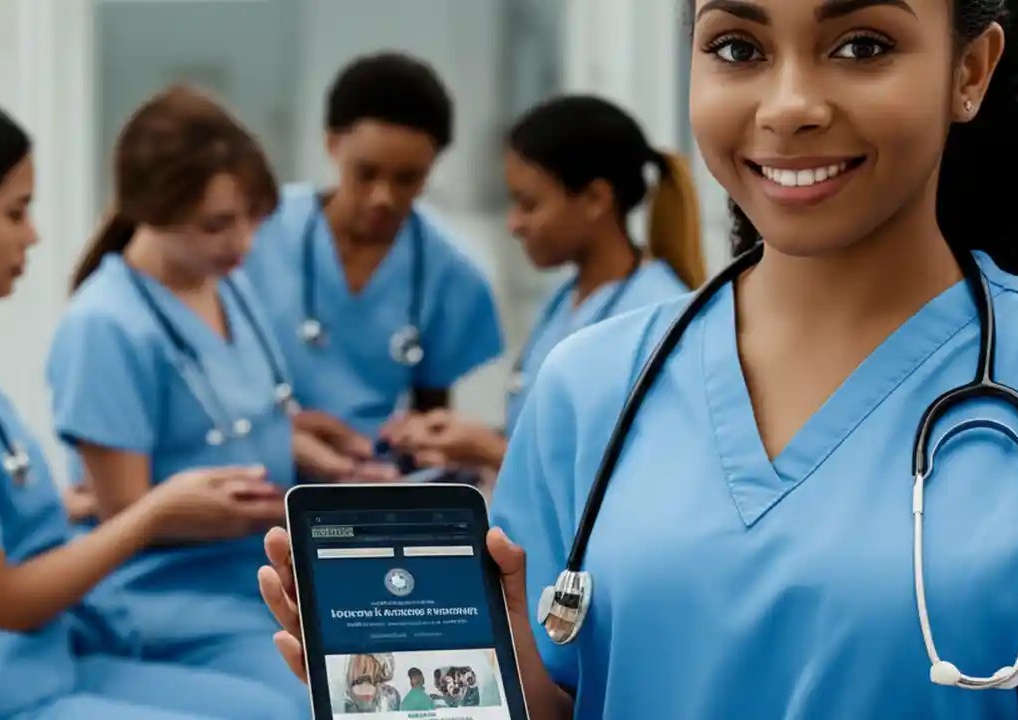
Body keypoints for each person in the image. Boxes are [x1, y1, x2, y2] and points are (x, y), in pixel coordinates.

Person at [261, 1, 1018, 718]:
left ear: (969, 71)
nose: (788, 105)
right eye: (737, 47)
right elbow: (562, 699)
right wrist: (451, 689)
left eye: (862, 45)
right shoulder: (591, 385)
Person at [0, 85, 298, 720]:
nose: (33, 236)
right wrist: (151, 513)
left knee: (282, 709)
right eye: (15, 212)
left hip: (46, 658)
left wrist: (58, 508)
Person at [48, 85, 377, 716]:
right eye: (218, 225)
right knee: (326, 701)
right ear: (151, 208)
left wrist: (317, 454)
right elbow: (126, 518)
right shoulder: (105, 326)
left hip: (267, 574)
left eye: (254, 217)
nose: (245, 242)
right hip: (168, 601)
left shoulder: (227, 284)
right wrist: (285, 509)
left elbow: (235, 421)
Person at [383, 94, 705, 473]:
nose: (514, 224)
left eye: (529, 204)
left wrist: (489, 450)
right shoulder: (565, 301)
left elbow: (632, 483)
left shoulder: (660, 316)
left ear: (596, 199)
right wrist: (465, 442)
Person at [241, 51, 504, 441]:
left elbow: (431, 413)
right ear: (332, 144)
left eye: (407, 179)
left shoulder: (451, 272)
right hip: (263, 462)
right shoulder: (255, 233)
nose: (383, 197)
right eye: (365, 173)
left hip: (375, 475)